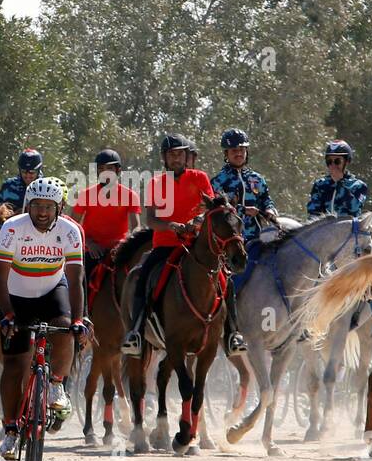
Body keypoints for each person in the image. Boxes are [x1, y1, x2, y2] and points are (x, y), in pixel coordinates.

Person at [0, 177, 86, 460]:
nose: (42, 212)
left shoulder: (70, 231)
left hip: (51, 292)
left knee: (66, 329)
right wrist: (7, 314)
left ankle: (57, 383)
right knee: (15, 366)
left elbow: (75, 277)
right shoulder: (12, 228)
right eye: (36, 207)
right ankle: (10, 431)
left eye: (48, 207)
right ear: (27, 206)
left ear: (59, 208)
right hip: (16, 296)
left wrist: (79, 319)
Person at [121, 134, 214, 357]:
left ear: (186, 156)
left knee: (225, 277)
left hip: (195, 246)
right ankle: (135, 332)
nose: (176, 158)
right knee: (141, 277)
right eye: (172, 155)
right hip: (165, 245)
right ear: (165, 157)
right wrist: (173, 226)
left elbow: (210, 208)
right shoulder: (155, 183)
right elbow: (151, 220)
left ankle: (233, 332)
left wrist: (197, 221)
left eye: (180, 154)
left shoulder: (200, 178)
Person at [209, 128, 275, 353]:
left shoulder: (258, 179)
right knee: (230, 283)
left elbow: (267, 201)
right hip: (232, 244)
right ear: (226, 153)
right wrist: (241, 210)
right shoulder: (218, 181)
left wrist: (271, 212)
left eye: (242, 150)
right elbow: (216, 211)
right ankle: (232, 331)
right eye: (234, 150)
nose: (238, 153)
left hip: (259, 238)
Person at [70, 149, 141, 290]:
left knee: (137, 276)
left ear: (118, 170)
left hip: (119, 249)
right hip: (92, 250)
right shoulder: (86, 194)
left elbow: (136, 227)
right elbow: (73, 225)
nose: (105, 173)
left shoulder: (130, 195)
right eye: (101, 169)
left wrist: (125, 243)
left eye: (109, 168)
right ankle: (82, 311)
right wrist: (89, 243)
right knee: (79, 279)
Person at [307, 140, 370, 218]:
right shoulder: (319, 184)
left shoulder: (359, 185)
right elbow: (313, 212)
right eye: (329, 161)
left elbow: (354, 208)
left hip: (349, 227)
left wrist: (340, 183)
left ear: (346, 162)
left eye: (337, 161)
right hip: (325, 227)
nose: (333, 165)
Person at [0, 149, 44, 215]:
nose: (27, 175)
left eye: (31, 172)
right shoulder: (9, 185)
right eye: (24, 171)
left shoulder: (46, 188)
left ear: (38, 171)